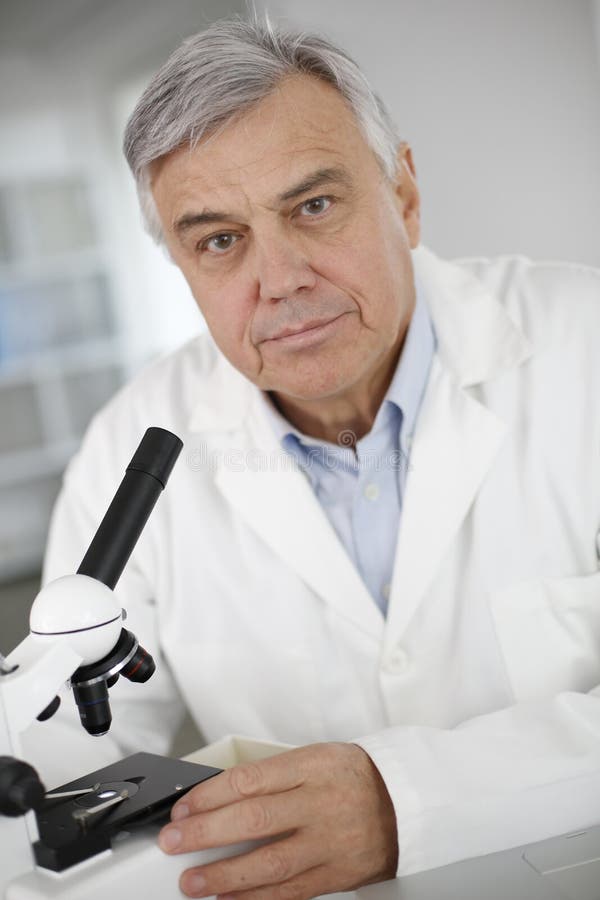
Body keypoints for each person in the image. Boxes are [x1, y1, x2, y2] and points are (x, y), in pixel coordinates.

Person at [36, 16, 600, 900]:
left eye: (313, 206)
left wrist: (410, 799)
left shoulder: (585, 347)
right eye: (219, 240)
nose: (282, 279)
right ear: (182, 266)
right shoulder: (126, 450)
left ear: (404, 196)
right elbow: (65, 749)